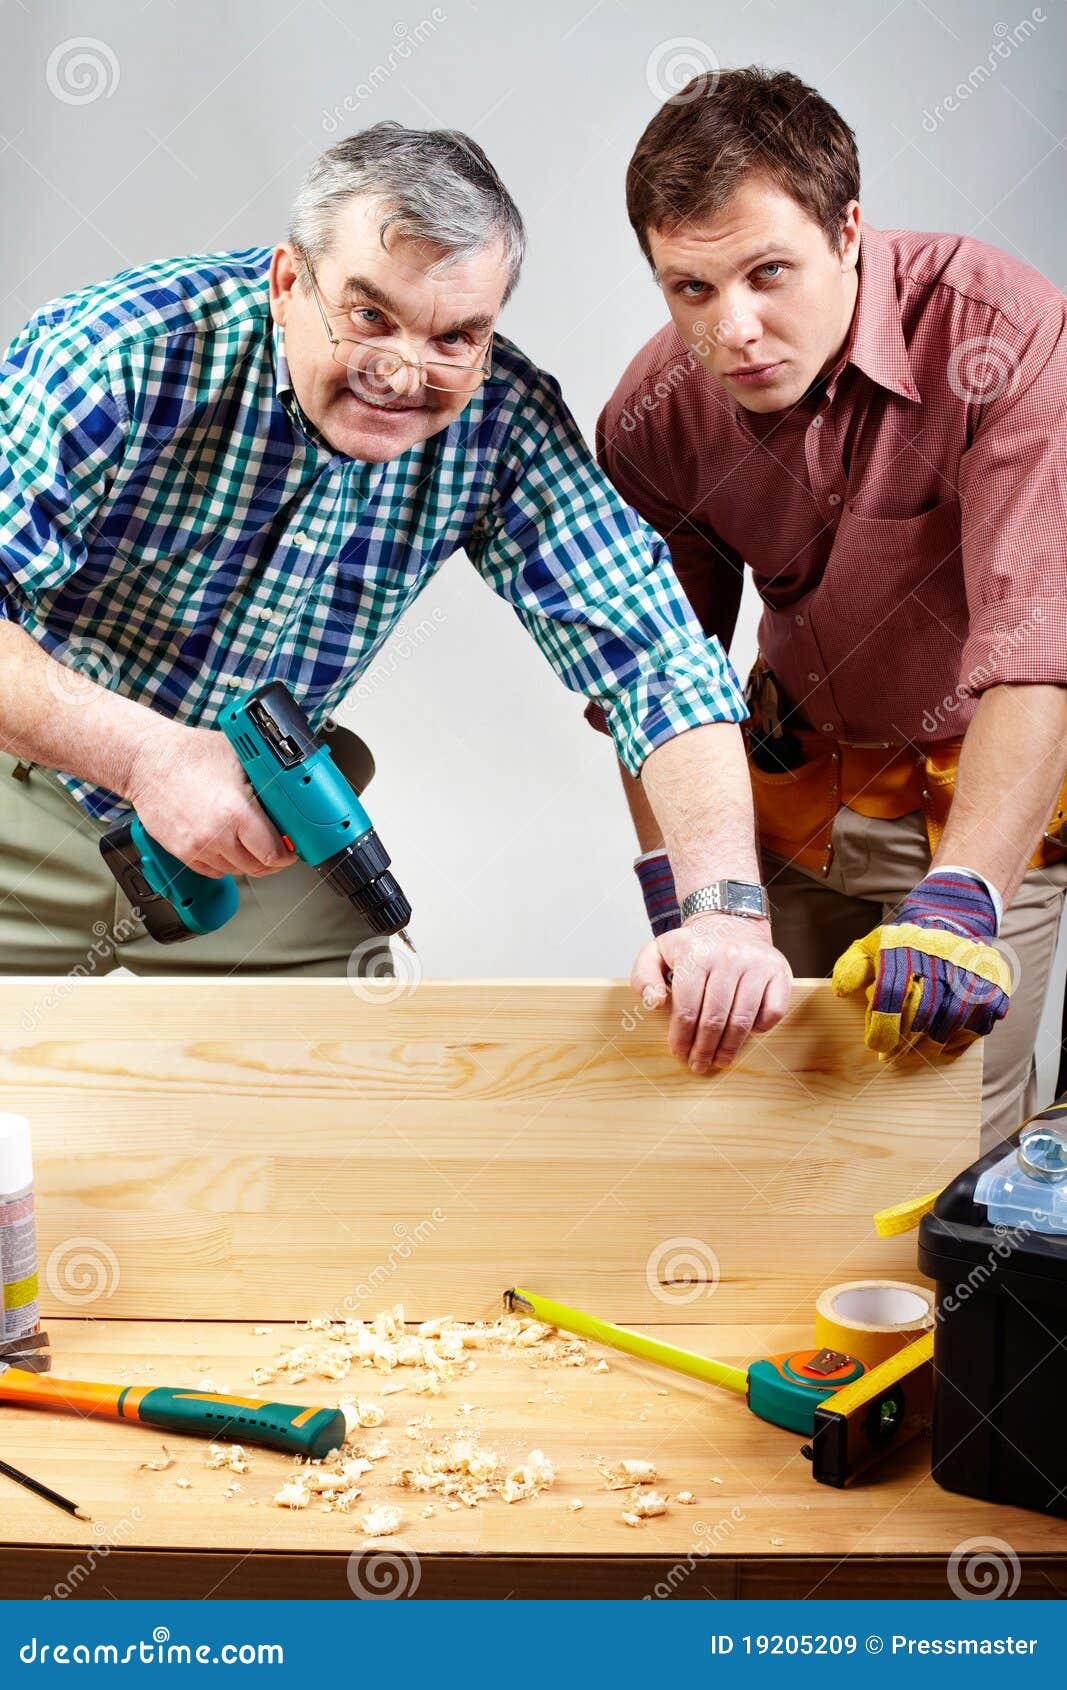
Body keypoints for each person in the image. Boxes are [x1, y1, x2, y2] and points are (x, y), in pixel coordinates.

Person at [0, 122, 790, 1071]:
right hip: (29, 780)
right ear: (292, 282)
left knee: (357, 1099)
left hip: (254, 826)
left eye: (454, 335)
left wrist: (720, 912)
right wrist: (151, 759)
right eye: (370, 317)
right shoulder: (123, 352)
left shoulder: (501, 423)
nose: (401, 375)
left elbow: (655, 657)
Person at [591, 67, 1067, 1147]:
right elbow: (651, 681)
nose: (734, 330)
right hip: (786, 799)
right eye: (690, 290)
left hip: (970, 799)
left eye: (768, 273)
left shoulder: (1005, 335)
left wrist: (965, 899)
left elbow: (1036, 650)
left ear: (847, 229)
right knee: (769, 1119)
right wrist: (686, 902)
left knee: (945, 1136)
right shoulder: (650, 419)